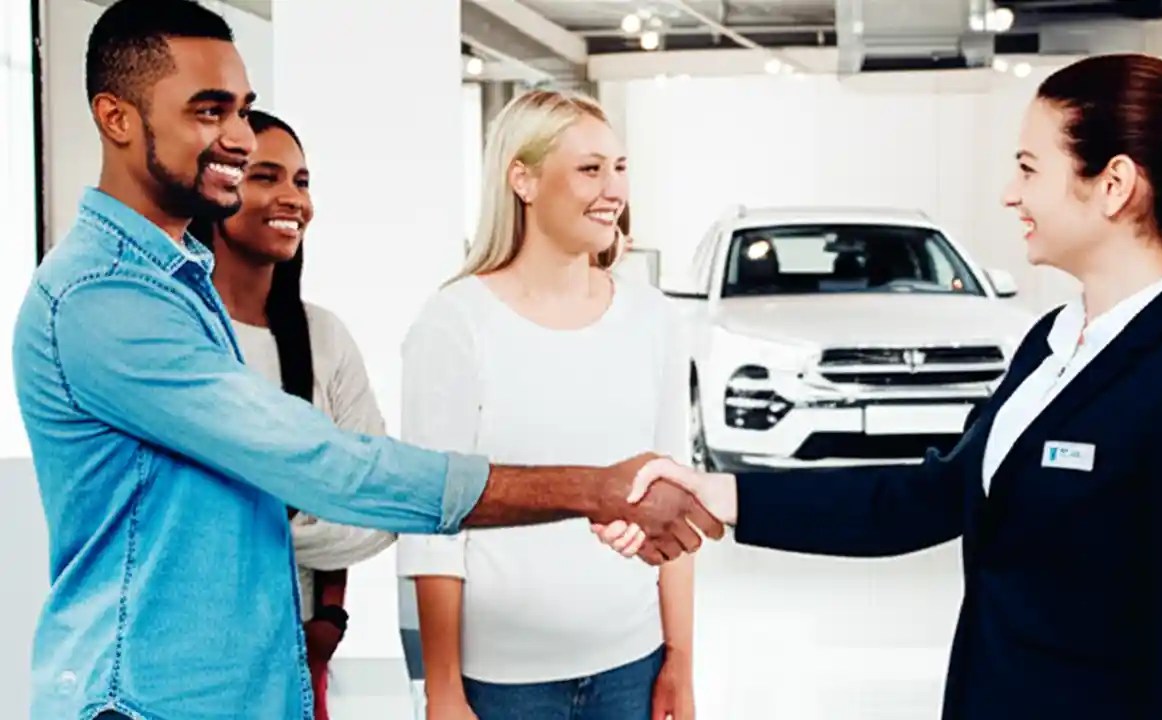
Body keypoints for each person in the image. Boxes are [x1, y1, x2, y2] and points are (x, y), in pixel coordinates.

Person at [10, 2, 722, 719]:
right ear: (117, 118)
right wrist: (592, 489)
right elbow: (324, 465)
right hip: (146, 702)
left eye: (242, 110)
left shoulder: (179, 281)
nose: (237, 137)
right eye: (208, 111)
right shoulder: (103, 299)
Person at [610, 53, 1162, 720]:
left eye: (1027, 168)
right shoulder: (1053, 341)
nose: (1008, 195)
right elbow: (925, 498)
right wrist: (718, 492)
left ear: (1114, 185)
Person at [396, 91, 695, 720]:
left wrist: (680, 663)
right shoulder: (456, 323)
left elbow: (676, 508)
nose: (613, 188)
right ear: (523, 178)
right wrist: (442, 688)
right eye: (589, 169)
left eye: (619, 166)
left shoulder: (656, 320)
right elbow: (433, 519)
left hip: (632, 666)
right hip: (503, 683)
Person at [187, 109, 396, 720]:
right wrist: (309, 500)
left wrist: (258, 516)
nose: (291, 198)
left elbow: (377, 505)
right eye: (266, 177)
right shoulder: (174, 335)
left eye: (301, 181)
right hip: (188, 667)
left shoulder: (323, 338)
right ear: (218, 188)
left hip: (299, 661)